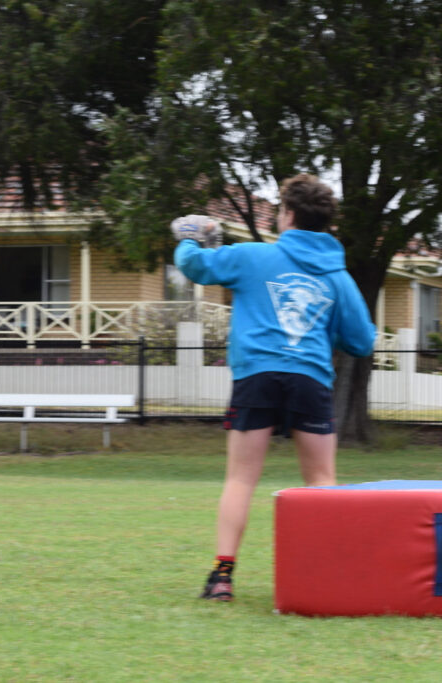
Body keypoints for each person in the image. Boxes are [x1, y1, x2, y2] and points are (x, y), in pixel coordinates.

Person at [170, 174, 376, 602]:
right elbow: (362, 341)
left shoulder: (253, 257)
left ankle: (222, 578)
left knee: (242, 479)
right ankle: (328, 578)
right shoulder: (338, 278)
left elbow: (195, 266)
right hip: (310, 380)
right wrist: (323, 327)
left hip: (257, 377)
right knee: (321, 480)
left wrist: (191, 238)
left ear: (288, 215)